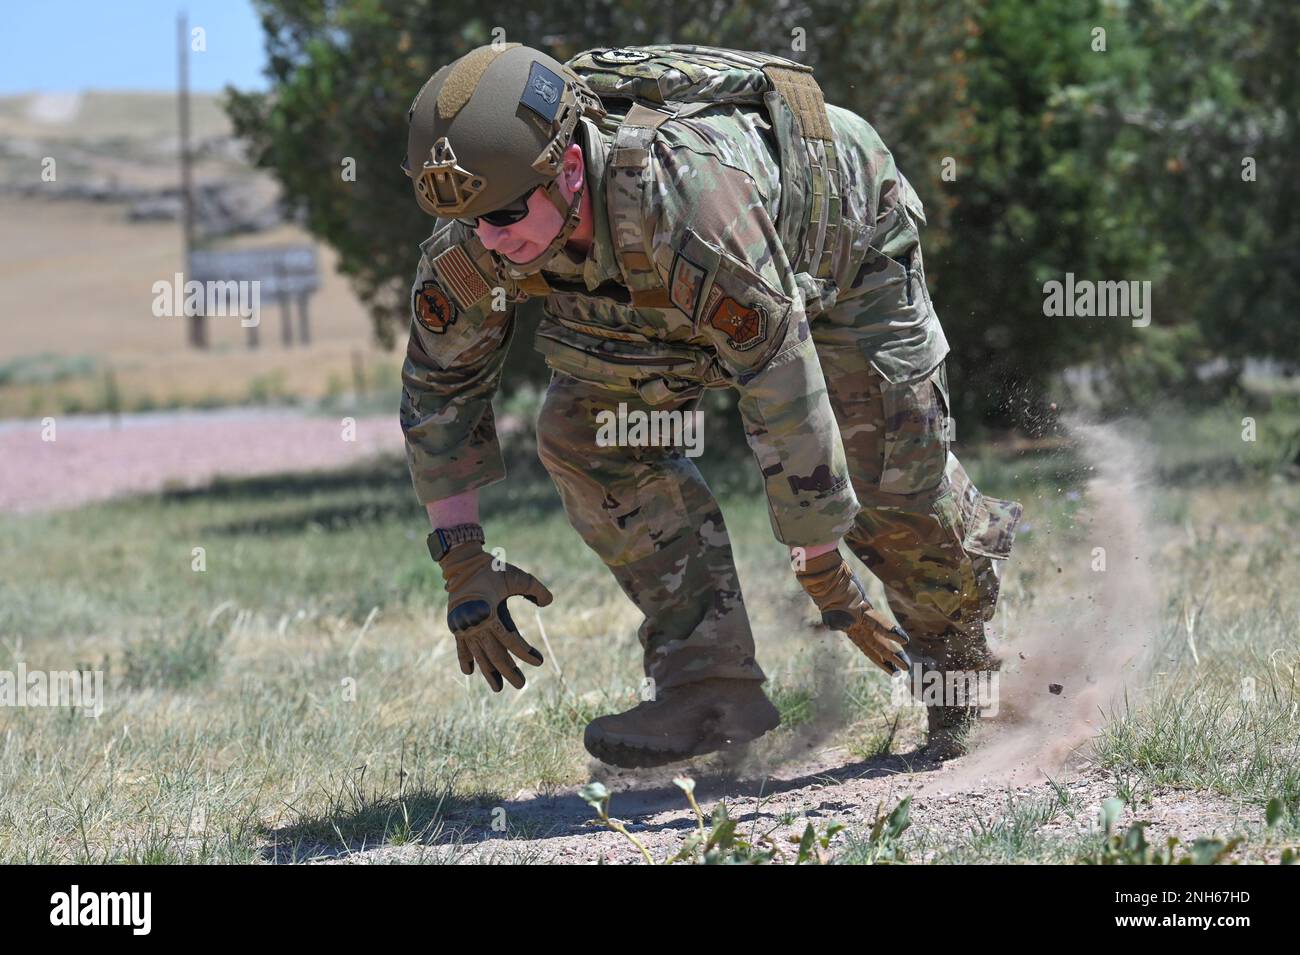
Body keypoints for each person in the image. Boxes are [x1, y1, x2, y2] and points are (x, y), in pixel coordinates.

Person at [400, 43, 1022, 767]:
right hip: (675, 290)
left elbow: (779, 376)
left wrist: (820, 561)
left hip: (842, 247)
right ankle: (708, 686)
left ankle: (958, 655)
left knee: (886, 479)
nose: (490, 239)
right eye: (472, 220)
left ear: (568, 167)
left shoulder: (686, 199)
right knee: (585, 434)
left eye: (504, 215)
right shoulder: (479, 226)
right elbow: (440, 386)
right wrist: (462, 559)